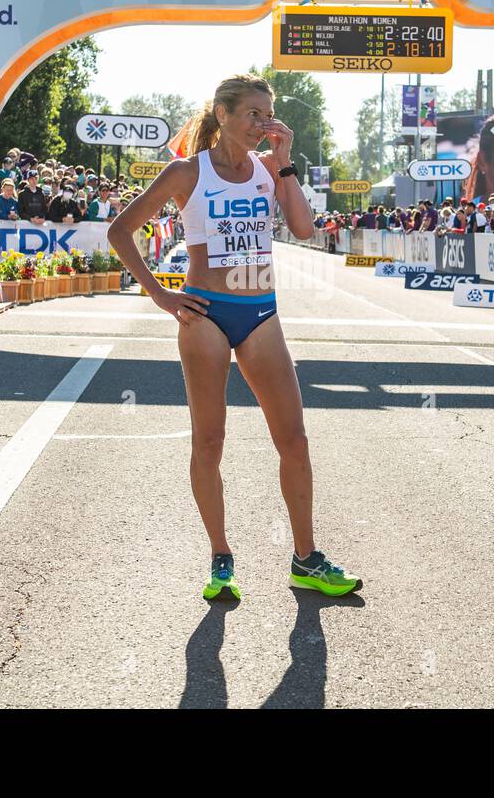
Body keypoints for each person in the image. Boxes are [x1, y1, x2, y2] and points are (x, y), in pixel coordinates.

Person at [107, 74, 362, 600]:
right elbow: (120, 230)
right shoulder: (187, 172)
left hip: (261, 312)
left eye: (267, 114)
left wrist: (285, 159)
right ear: (222, 115)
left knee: (294, 440)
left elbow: (304, 229)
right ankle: (221, 558)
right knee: (210, 441)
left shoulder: (269, 168)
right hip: (206, 314)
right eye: (252, 114)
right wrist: (161, 295)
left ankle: (306, 559)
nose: (262, 124)